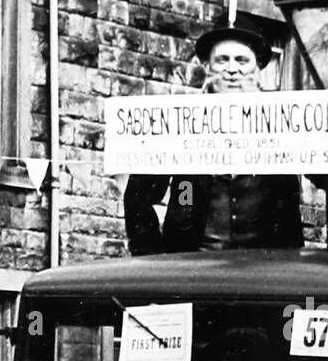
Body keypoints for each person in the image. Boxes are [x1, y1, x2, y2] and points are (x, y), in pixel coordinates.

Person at [123, 17, 303, 254]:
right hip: (194, 269)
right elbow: (138, 199)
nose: (231, 70)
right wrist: (153, 259)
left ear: (257, 68)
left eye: (242, 60)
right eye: (222, 60)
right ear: (207, 66)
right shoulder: (180, 122)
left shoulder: (280, 124)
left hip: (263, 270)